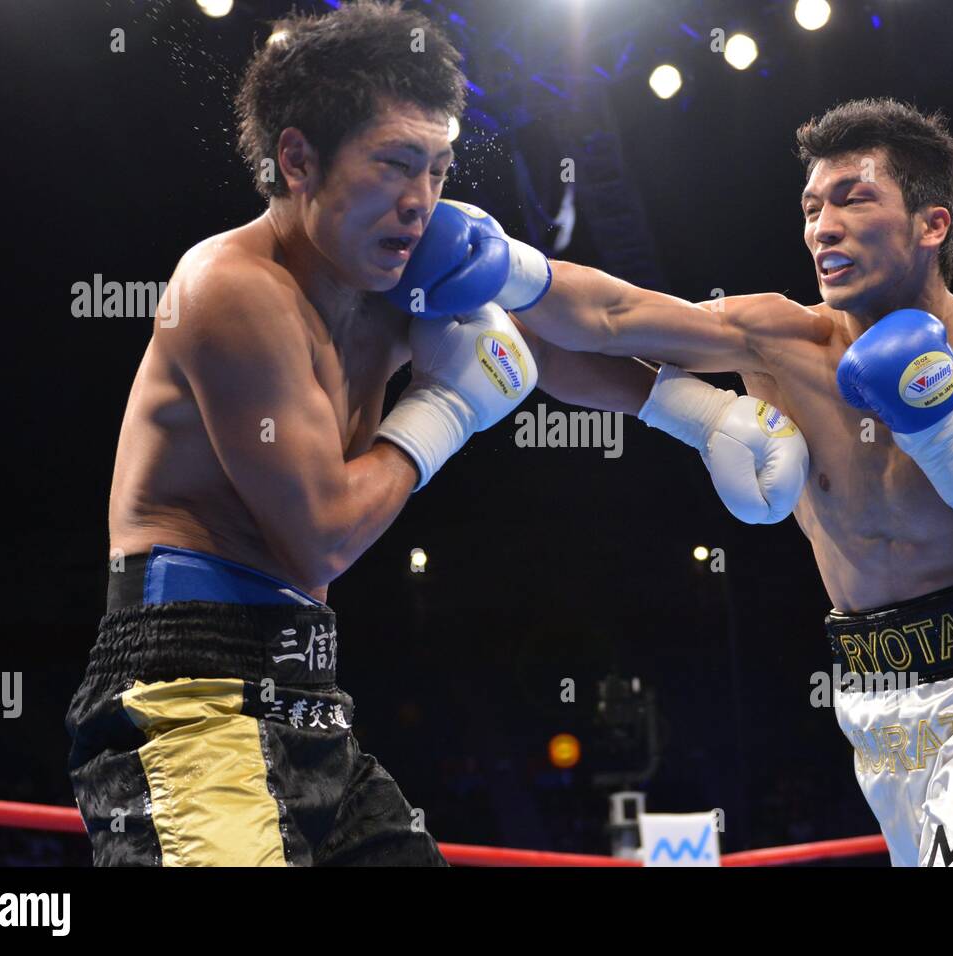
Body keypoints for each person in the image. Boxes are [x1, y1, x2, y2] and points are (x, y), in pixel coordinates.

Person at [65, 0, 805, 867]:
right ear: (297, 158)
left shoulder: (391, 269)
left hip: (306, 686)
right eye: (395, 164)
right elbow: (318, 539)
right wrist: (444, 410)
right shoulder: (232, 291)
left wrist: (704, 411)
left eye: (439, 169)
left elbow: (578, 321)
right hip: (184, 691)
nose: (421, 202)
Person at [403, 98, 953, 866]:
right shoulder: (781, 340)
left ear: (931, 225)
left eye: (853, 198)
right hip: (875, 710)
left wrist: (946, 438)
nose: (822, 227)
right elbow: (604, 318)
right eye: (811, 207)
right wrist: (511, 270)